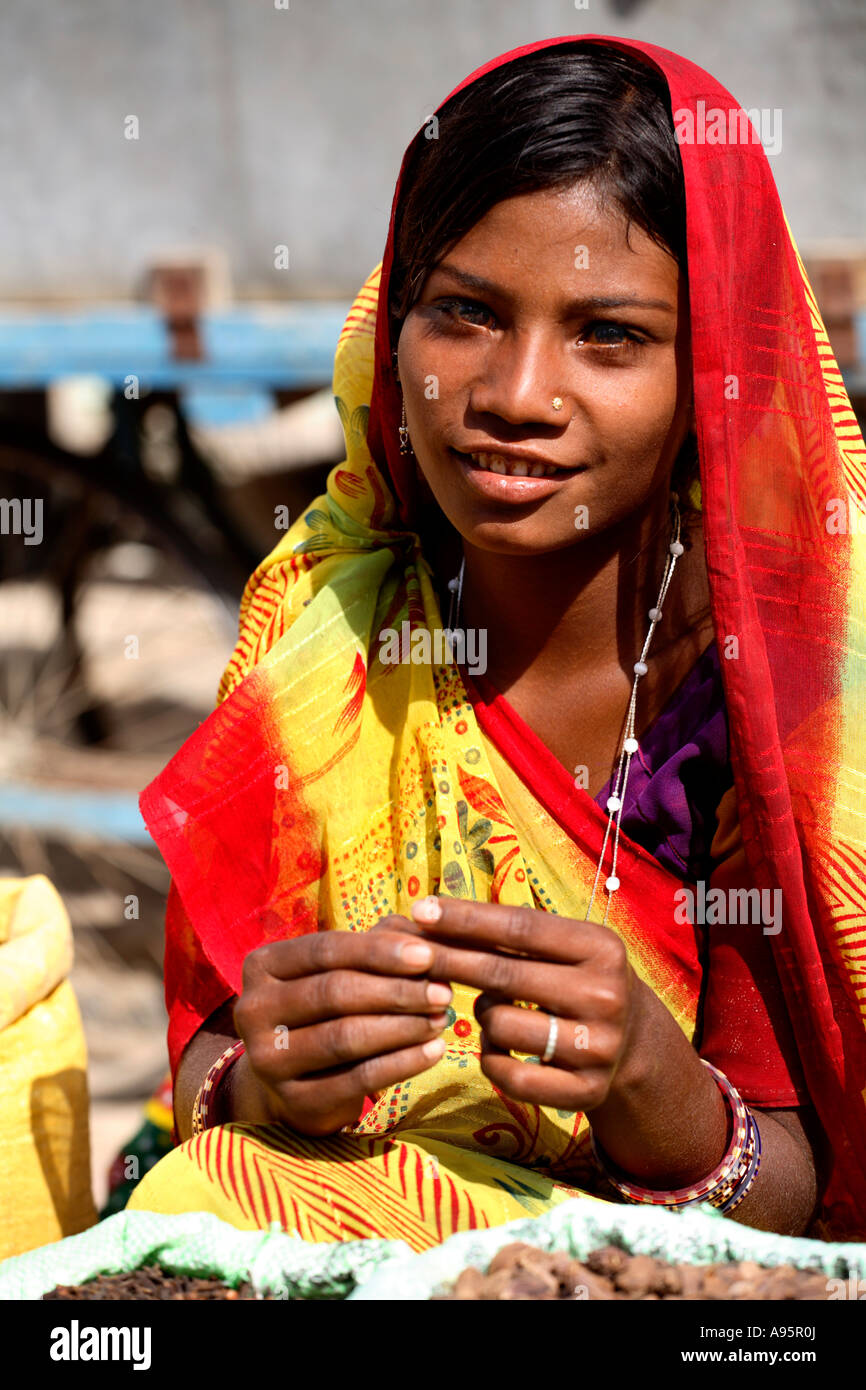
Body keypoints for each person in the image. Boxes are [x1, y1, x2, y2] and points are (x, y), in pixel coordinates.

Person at [128, 34, 866, 1248]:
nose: (518, 392)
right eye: (463, 313)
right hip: (333, 1224)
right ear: (394, 327)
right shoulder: (324, 631)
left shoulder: (783, 709)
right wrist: (263, 1080)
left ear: (713, 374)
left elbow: (805, 1193)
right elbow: (213, 1061)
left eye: (610, 336)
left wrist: (651, 1084)